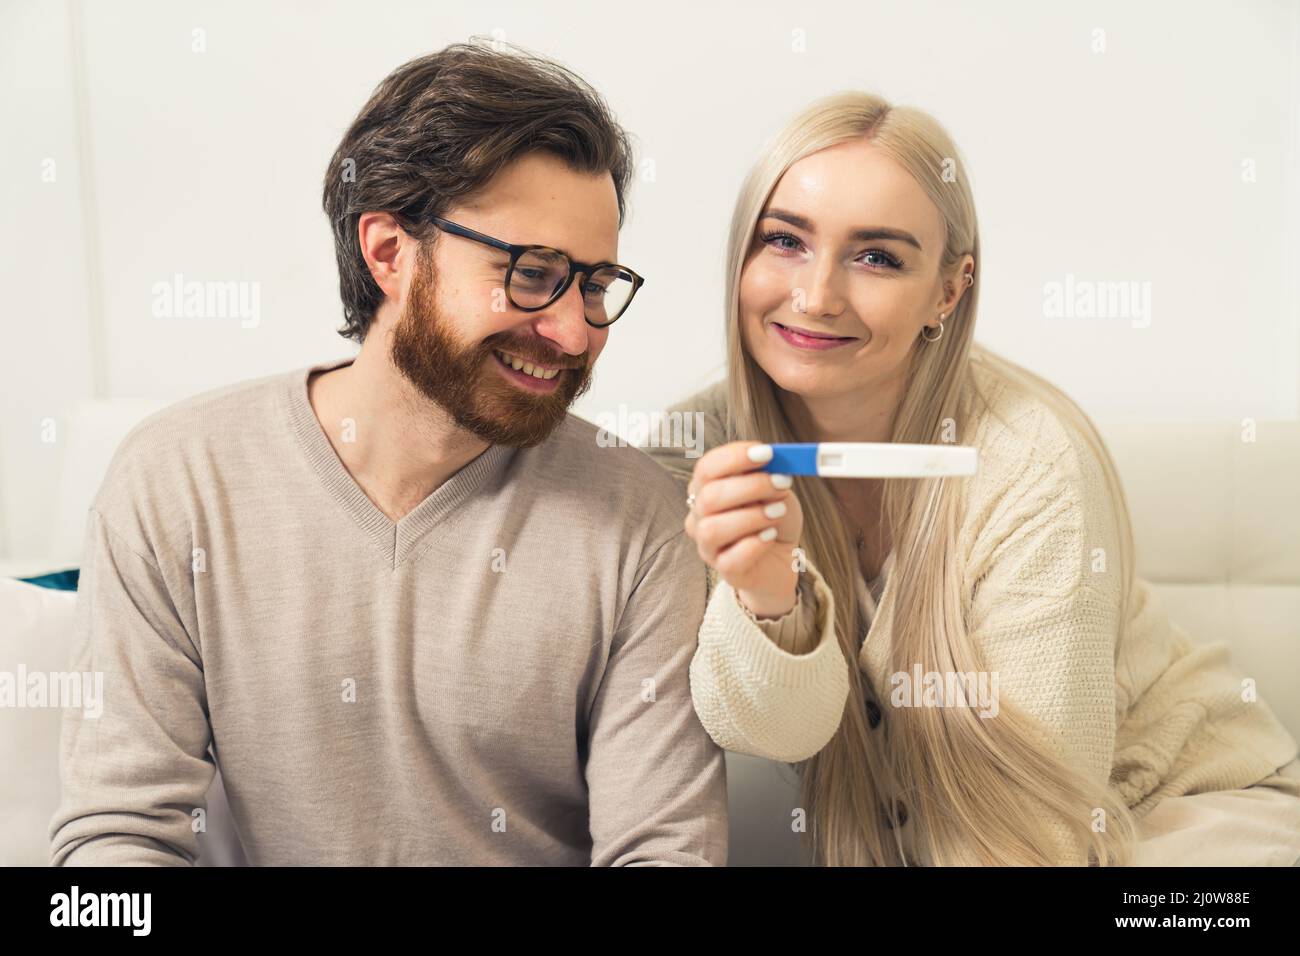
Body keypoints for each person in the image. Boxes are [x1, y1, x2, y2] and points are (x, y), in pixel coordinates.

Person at [49, 41, 726, 866]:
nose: (575, 330)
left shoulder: (638, 517)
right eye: (531, 272)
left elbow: (663, 852)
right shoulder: (177, 480)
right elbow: (115, 838)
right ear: (388, 252)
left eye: (592, 284)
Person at [641, 90, 1300, 866]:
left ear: (948, 292)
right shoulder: (696, 454)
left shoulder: (1030, 457)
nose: (816, 296)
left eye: (876, 256)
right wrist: (768, 597)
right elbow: (772, 730)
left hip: (1177, 823)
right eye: (785, 241)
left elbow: (1035, 832)